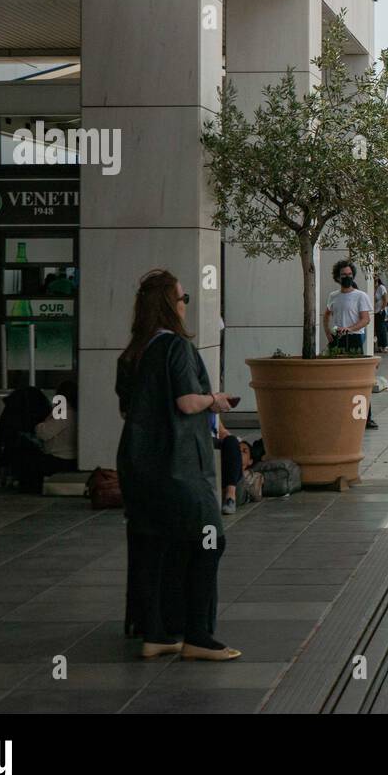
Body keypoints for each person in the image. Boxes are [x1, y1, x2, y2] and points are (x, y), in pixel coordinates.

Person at [116, 268, 240, 661]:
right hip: (180, 464)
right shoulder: (176, 348)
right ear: (171, 305)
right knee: (209, 540)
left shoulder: (135, 351)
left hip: (140, 464)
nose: (187, 304)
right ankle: (198, 636)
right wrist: (215, 399)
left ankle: (158, 632)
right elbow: (187, 402)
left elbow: (128, 408)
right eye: (183, 298)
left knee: (157, 545)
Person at [324, 269, 378, 429]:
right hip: (337, 338)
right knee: (336, 378)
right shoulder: (333, 296)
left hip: (353, 339)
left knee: (358, 379)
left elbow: (365, 319)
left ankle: (365, 417)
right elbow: (326, 314)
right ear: (337, 277)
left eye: (349, 274)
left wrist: (350, 328)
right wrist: (328, 332)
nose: (346, 277)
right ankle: (339, 414)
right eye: (343, 275)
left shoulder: (361, 296)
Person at [15, 378, 79, 492]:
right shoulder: (77, 412)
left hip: (58, 460)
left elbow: (43, 433)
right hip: (72, 459)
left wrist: (42, 422)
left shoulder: (63, 413)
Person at [373, 275, 388, 353]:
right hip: (374, 311)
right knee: (377, 329)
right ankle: (379, 346)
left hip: (381, 311)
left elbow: (385, 299)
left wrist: (382, 309)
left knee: (382, 328)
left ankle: (385, 345)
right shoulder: (372, 288)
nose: (374, 279)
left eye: (375, 277)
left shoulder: (381, 287)